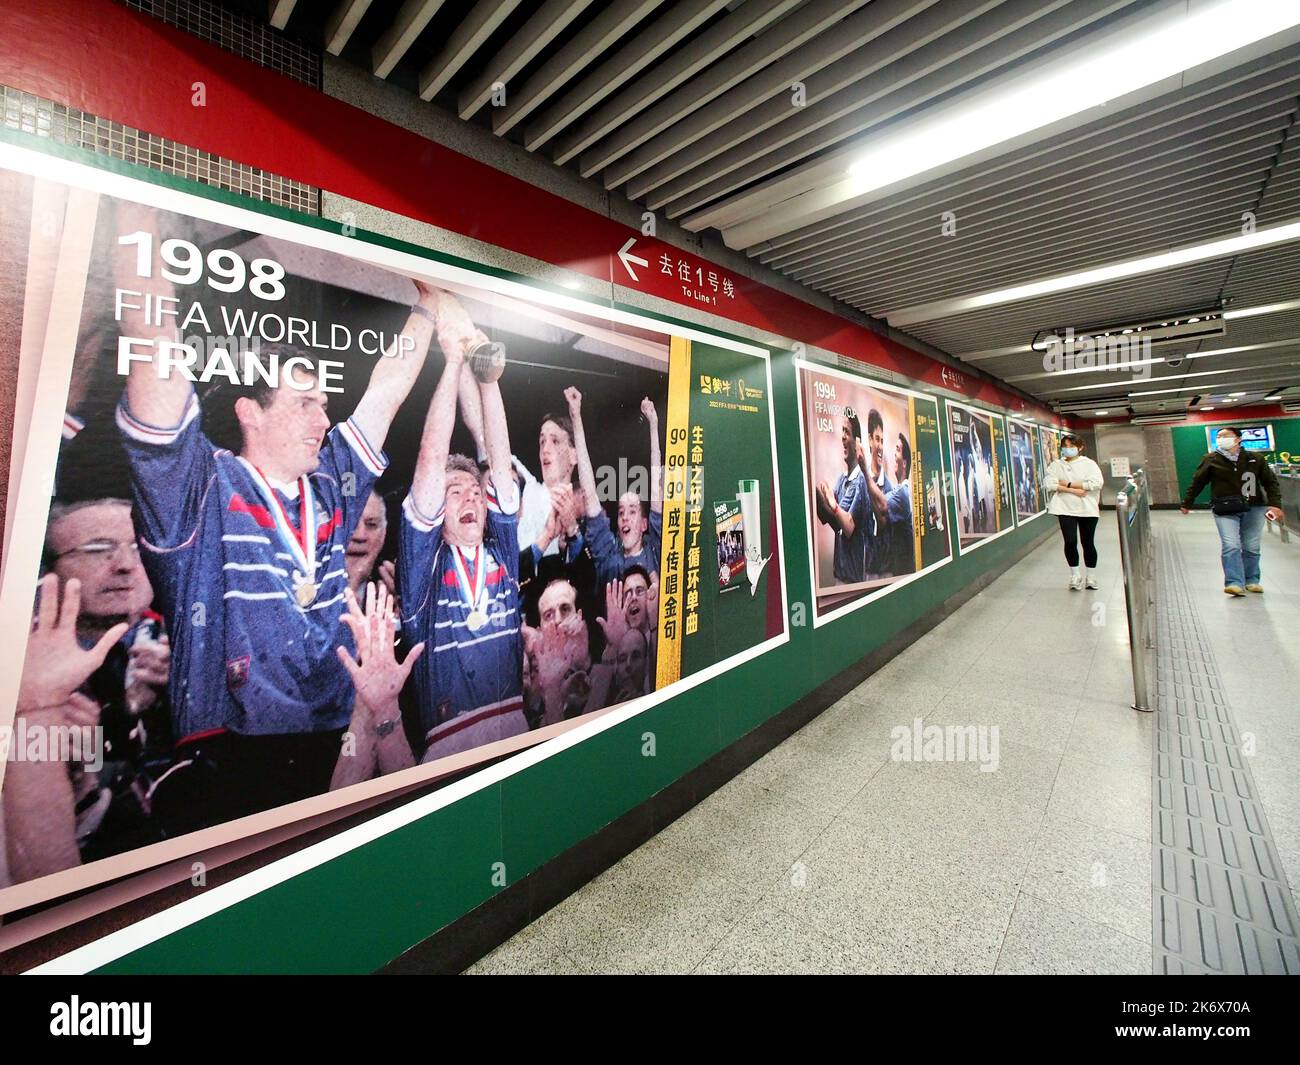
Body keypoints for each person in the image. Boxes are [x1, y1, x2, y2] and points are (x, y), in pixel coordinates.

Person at [113, 198, 450, 829]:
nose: (325, 419)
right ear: (250, 412)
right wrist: (141, 212)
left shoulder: (330, 487)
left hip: (335, 737)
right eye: (305, 404)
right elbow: (153, 354)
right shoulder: (201, 489)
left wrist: (430, 304)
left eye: (323, 404)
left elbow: (385, 389)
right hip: (230, 754)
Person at [399, 305, 528, 762]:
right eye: (455, 493)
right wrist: (453, 361)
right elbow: (431, 460)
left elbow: (499, 457)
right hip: (447, 748)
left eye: (475, 491)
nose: (470, 499)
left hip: (516, 729)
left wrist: (489, 380)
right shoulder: (424, 574)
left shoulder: (503, 556)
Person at [42, 499, 173, 862]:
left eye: (138, 547)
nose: (126, 566)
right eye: (99, 550)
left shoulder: (189, 648)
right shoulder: (23, 670)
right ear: (49, 571)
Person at [1180, 425, 1285, 595]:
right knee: (1231, 545)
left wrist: (1275, 504)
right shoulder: (1211, 459)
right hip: (1224, 507)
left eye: (1225, 435)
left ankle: (1252, 580)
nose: (1221, 439)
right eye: (1219, 436)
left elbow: (1270, 482)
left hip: (1254, 507)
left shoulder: (1255, 459)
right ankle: (1234, 582)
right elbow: (1198, 482)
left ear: (1238, 439)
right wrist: (1187, 502)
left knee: (1251, 546)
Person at [573, 390, 664, 584]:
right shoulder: (610, 560)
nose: (624, 517)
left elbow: (656, 489)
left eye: (632, 511)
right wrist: (575, 416)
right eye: (621, 511)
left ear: (644, 525)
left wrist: (654, 425)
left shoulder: (655, 552)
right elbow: (589, 494)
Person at [1043, 433, 1104, 590]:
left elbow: (1096, 483)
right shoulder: (1056, 465)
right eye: (1065, 447)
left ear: (1080, 447)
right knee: (1070, 541)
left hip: (1087, 509)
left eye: (1071, 447)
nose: (1068, 450)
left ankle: (1091, 576)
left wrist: (1068, 484)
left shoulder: (1089, 464)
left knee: (1087, 542)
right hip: (1064, 508)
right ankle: (1075, 575)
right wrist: (1075, 489)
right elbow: (1049, 484)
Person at [815, 413, 868, 584]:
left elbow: (848, 527)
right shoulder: (841, 480)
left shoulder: (861, 481)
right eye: (842, 431)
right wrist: (814, 493)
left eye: (847, 432)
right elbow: (828, 516)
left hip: (854, 581)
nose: (843, 437)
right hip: (839, 576)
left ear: (857, 443)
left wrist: (832, 503)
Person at [864, 432, 913, 577]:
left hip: (903, 573)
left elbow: (882, 505)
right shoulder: (897, 490)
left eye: (897, 450)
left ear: (904, 463)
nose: (893, 454)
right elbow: (882, 519)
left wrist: (863, 470)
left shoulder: (902, 493)